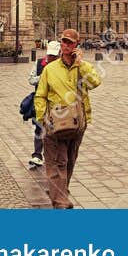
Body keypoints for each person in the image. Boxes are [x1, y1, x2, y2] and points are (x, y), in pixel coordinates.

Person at [35, 28, 104, 209]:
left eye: (69, 42)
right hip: (54, 123)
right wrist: (43, 118)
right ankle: (60, 202)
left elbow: (95, 82)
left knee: (70, 161)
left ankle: (60, 192)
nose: (65, 45)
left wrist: (80, 64)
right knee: (58, 162)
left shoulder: (82, 67)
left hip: (77, 123)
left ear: (76, 45)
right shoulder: (50, 69)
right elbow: (40, 95)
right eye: (63, 41)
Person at [24, 40, 60, 169]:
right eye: (50, 55)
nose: (51, 58)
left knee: (55, 129)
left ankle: (53, 156)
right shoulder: (39, 63)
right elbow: (31, 79)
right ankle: (37, 155)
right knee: (39, 127)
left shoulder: (63, 66)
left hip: (57, 103)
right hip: (41, 102)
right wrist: (44, 77)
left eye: (54, 56)